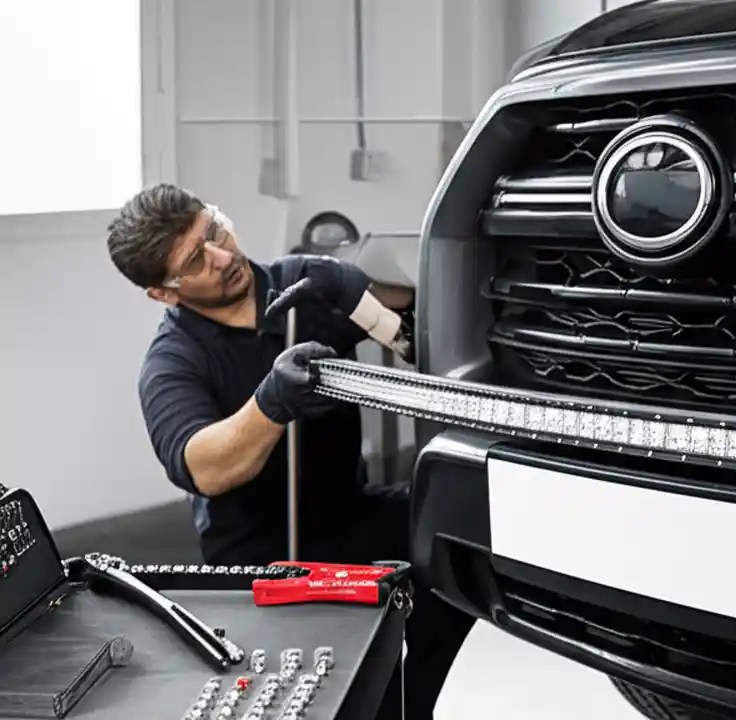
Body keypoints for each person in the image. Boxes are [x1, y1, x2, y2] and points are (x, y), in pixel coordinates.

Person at [105, 183, 472, 717]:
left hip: (350, 512)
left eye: (214, 229)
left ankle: (415, 704)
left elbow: (422, 345)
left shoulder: (304, 285)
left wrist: (357, 299)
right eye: (196, 259)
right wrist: (270, 403)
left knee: (456, 533)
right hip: (261, 557)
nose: (224, 256)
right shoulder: (172, 362)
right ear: (165, 291)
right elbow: (202, 464)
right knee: (331, 683)